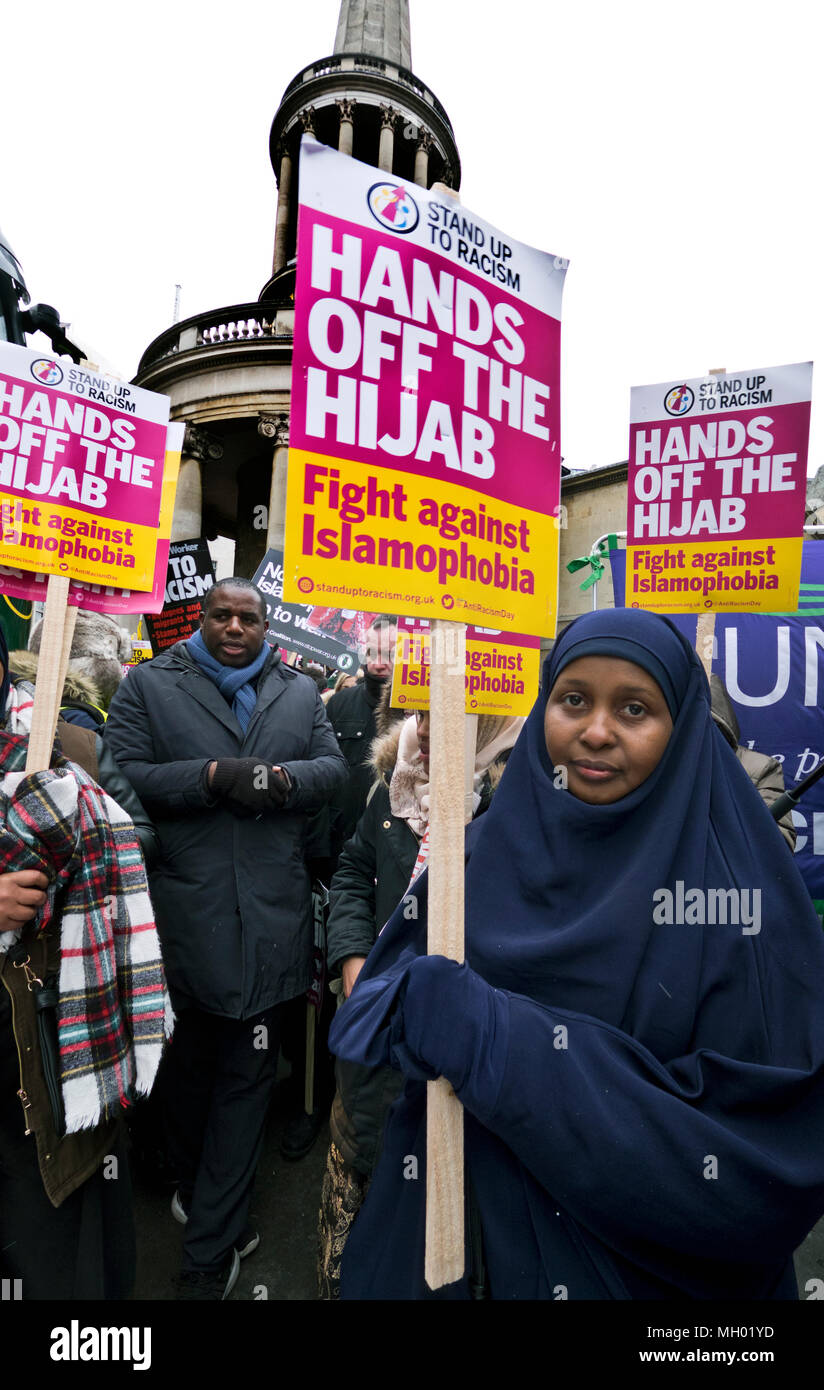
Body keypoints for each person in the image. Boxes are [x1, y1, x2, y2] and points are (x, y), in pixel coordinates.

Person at [329, 608, 824, 1300]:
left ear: (681, 730)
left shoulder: (743, 908)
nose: (596, 730)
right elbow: (370, 1017)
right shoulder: (482, 853)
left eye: (633, 708)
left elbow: (760, 1176)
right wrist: (408, 1003)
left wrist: (499, 1044)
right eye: (573, 700)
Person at [104, 577, 347, 1299]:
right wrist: (210, 776)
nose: (236, 626)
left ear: (265, 624)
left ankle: (209, 1251)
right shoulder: (148, 685)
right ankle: (192, 1178)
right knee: (184, 1072)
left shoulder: (299, 691)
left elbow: (332, 770)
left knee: (246, 1076)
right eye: (222, 615)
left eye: (250, 616)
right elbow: (128, 775)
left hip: (271, 919)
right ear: (200, 619)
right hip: (185, 914)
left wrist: (275, 779)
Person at [318, 701, 524, 1298]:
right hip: (377, 1042)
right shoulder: (397, 784)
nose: (428, 728)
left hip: (474, 1062)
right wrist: (355, 956)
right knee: (371, 1173)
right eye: (421, 709)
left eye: (455, 709)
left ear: (496, 721)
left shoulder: (529, 801)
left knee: (450, 1223)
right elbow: (355, 870)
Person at [0, 621, 169, 1300]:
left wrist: (72, 856)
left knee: (64, 1258)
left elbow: (141, 840)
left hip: (55, 1060)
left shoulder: (70, 747)